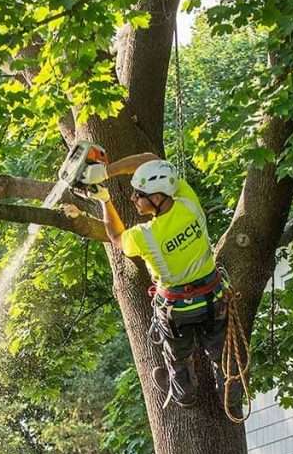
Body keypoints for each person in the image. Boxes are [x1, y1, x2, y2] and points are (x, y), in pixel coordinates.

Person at [76, 152, 228, 408]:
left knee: (178, 358)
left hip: (177, 312)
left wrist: (105, 200)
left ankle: (185, 395)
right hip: (213, 300)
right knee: (221, 353)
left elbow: (116, 237)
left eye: (139, 194)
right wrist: (105, 171)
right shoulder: (189, 203)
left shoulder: (145, 236)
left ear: (157, 198)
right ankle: (231, 397)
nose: (133, 198)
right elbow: (151, 160)